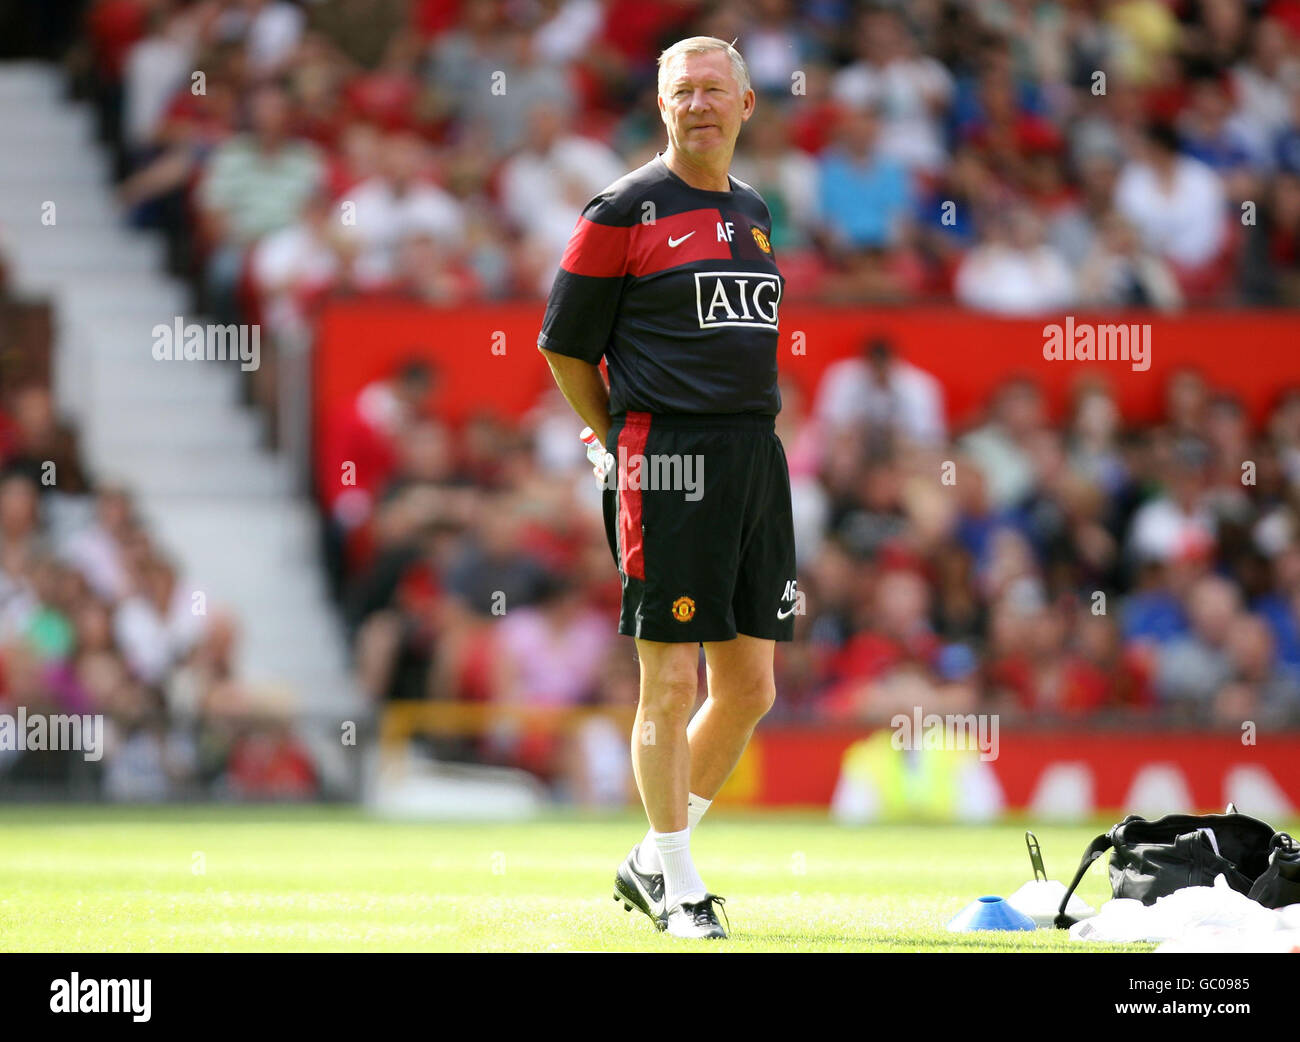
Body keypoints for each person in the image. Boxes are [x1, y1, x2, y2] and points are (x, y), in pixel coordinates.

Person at [536, 37, 794, 939]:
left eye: (714, 91)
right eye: (682, 92)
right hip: (666, 457)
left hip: (755, 458)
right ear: (660, 104)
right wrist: (616, 439)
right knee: (670, 681)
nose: (699, 105)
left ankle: (651, 860)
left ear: (747, 104)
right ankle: (681, 887)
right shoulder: (623, 207)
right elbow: (563, 342)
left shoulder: (758, 209)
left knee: (752, 687)